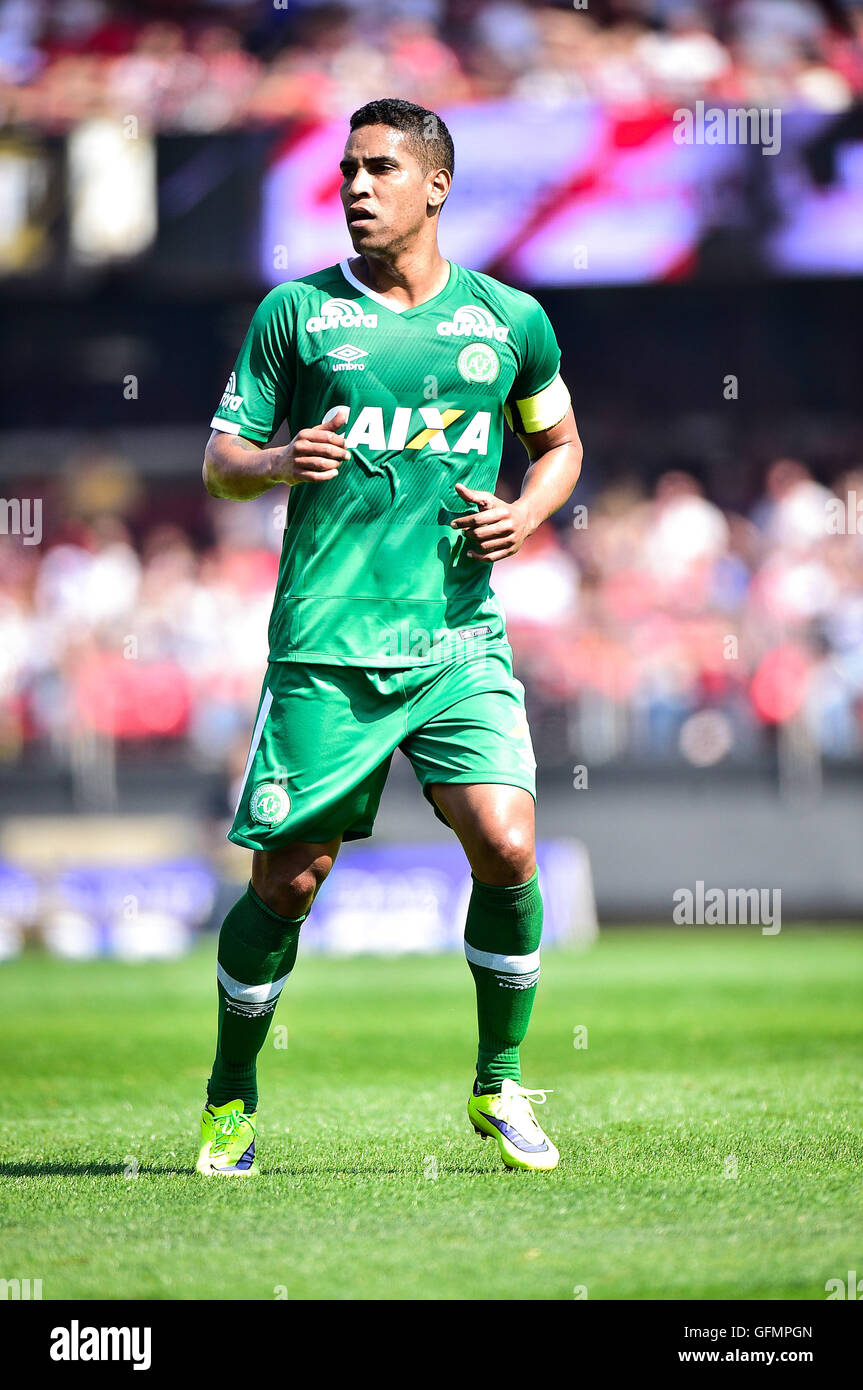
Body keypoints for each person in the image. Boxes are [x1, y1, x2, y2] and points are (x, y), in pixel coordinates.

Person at [198, 96, 583, 1176]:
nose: (356, 188)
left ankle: (498, 1084)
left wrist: (530, 510)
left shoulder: (507, 321)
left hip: (460, 639)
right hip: (327, 649)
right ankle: (230, 1096)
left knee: (506, 842)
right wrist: (275, 462)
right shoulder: (297, 315)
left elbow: (558, 444)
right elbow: (220, 462)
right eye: (346, 171)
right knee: (290, 882)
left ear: (435, 187)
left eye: (378, 170)